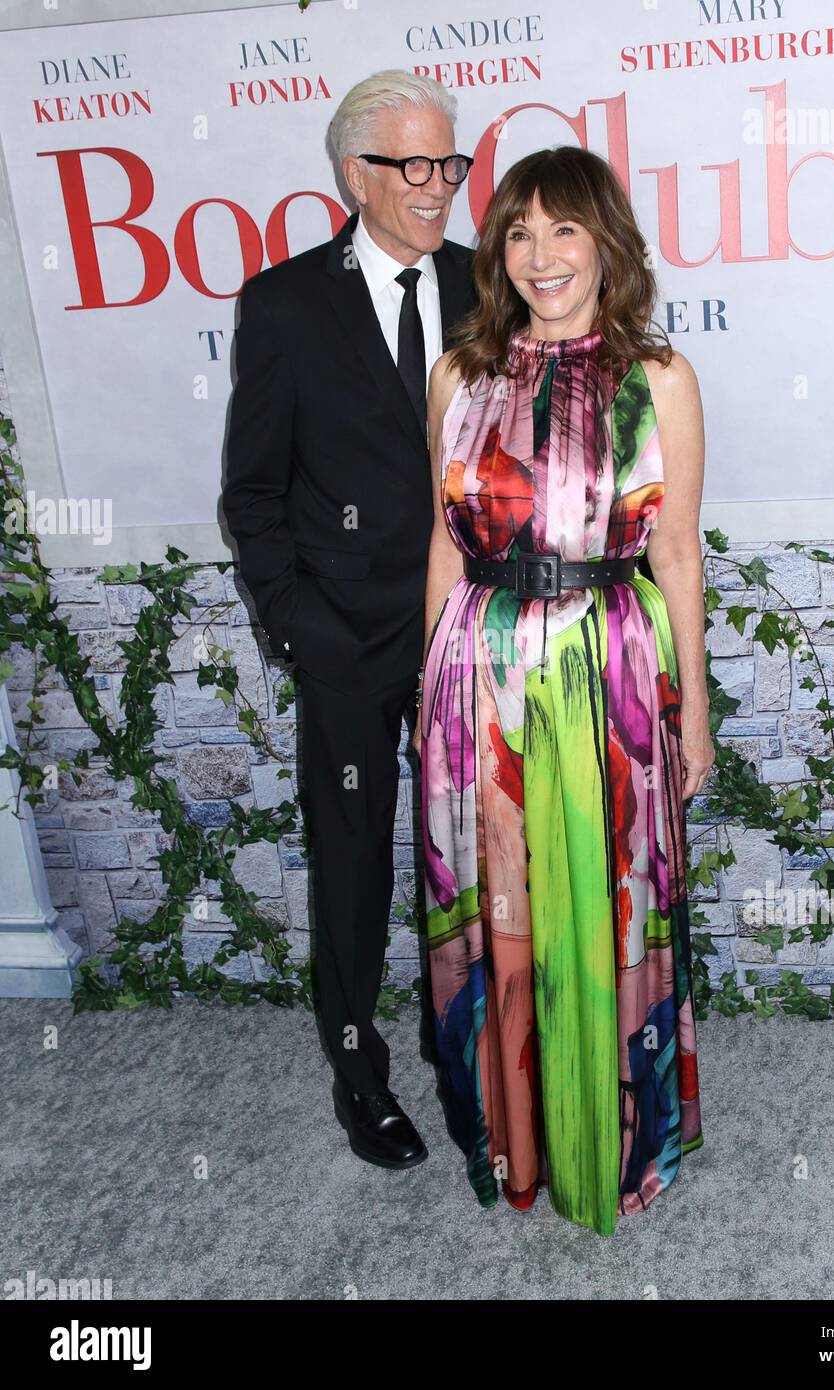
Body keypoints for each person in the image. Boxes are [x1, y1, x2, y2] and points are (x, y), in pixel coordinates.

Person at [415, 146, 713, 1236]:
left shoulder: (658, 377)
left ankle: (613, 1143)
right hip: (476, 669)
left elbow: (675, 552)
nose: (540, 257)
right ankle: (516, 1143)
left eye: (564, 231)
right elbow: (443, 549)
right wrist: (423, 701)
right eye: (518, 233)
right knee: (499, 911)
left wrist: (696, 710)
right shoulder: (458, 375)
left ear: (606, 244)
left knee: (604, 905)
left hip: (607, 664)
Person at [222, 71, 476, 1170]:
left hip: (474, 627)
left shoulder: (489, 284)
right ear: (353, 175)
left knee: (471, 860)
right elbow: (254, 494)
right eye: (411, 166)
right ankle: (358, 1077)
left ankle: (465, 1051)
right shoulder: (283, 305)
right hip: (347, 638)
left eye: (448, 164)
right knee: (354, 865)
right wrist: (299, 628)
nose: (436, 189)